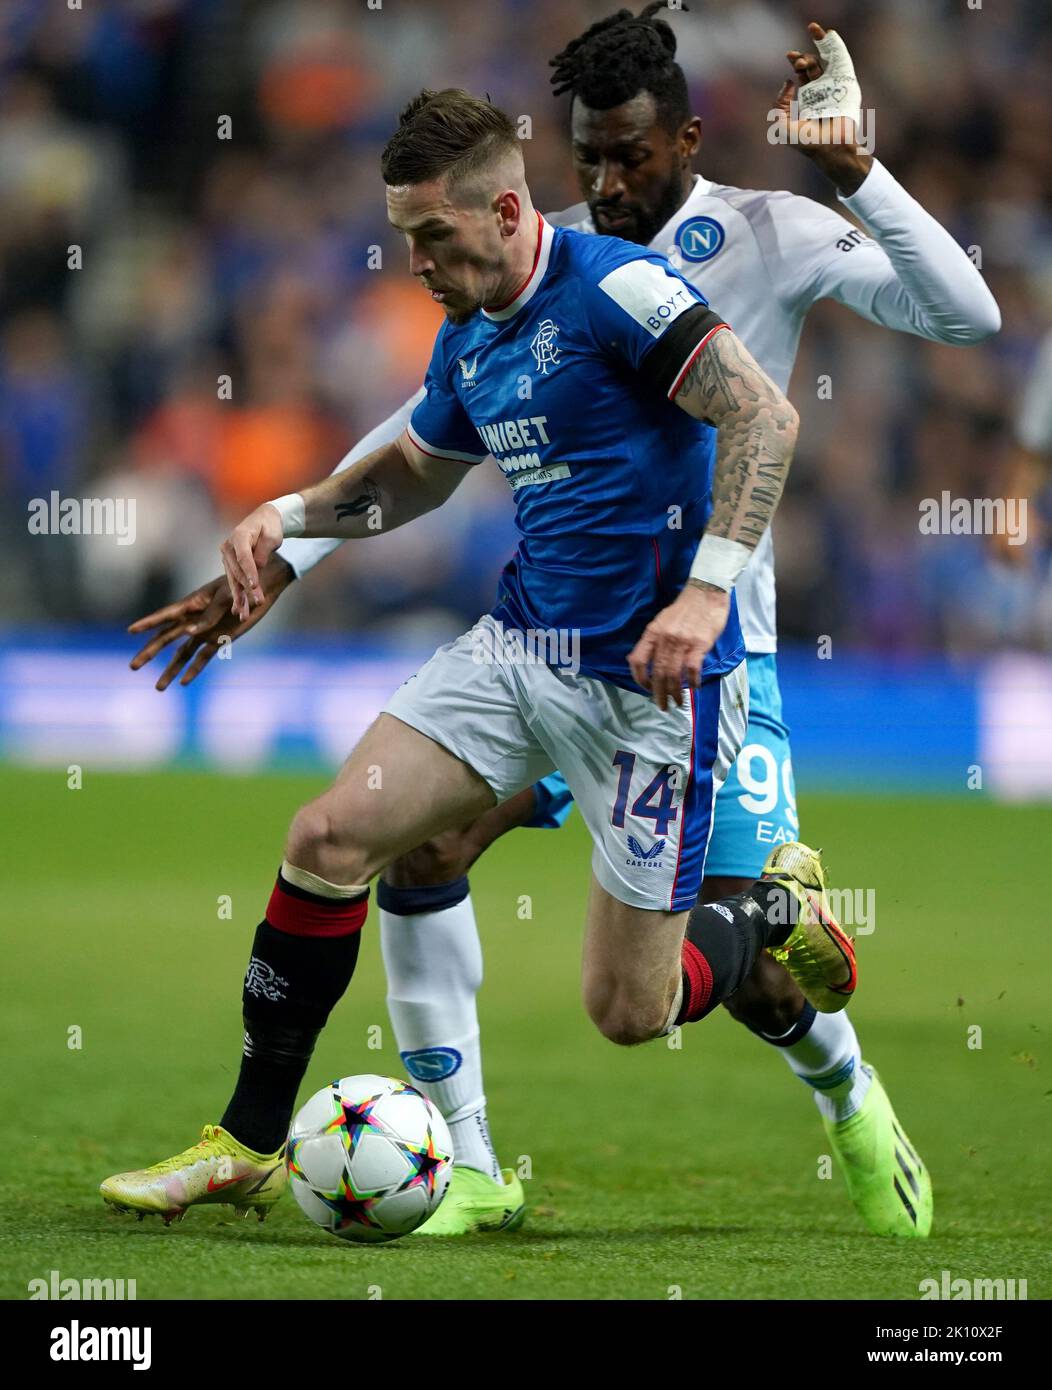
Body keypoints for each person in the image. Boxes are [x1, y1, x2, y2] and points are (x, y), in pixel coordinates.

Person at [125, 10, 997, 1237]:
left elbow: (947, 328)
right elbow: (423, 449)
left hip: (681, 662)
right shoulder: (509, 271)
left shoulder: (714, 254)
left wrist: (853, 167)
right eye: (586, 156)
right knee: (371, 843)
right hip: (531, 650)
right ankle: (426, 1158)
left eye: (630, 153)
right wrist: (285, 535)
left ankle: (806, 1010)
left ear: (682, 137)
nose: (606, 180)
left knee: (641, 1004)